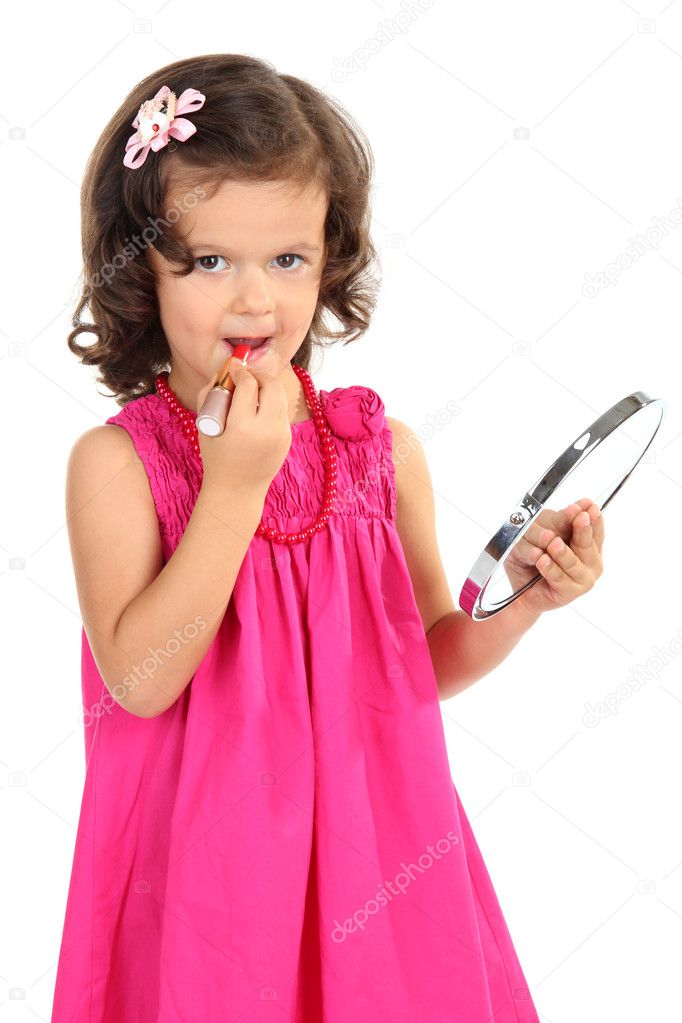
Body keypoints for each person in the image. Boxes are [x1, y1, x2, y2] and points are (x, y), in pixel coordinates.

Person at [51, 53, 604, 1022]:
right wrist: (232, 490)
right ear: (141, 263)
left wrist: (520, 600)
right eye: (210, 261)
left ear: (330, 257)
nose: (254, 300)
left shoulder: (378, 451)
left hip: (377, 863)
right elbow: (141, 680)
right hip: (206, 886)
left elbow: (420, 662)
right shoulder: (120, 465)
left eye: (288, 259)